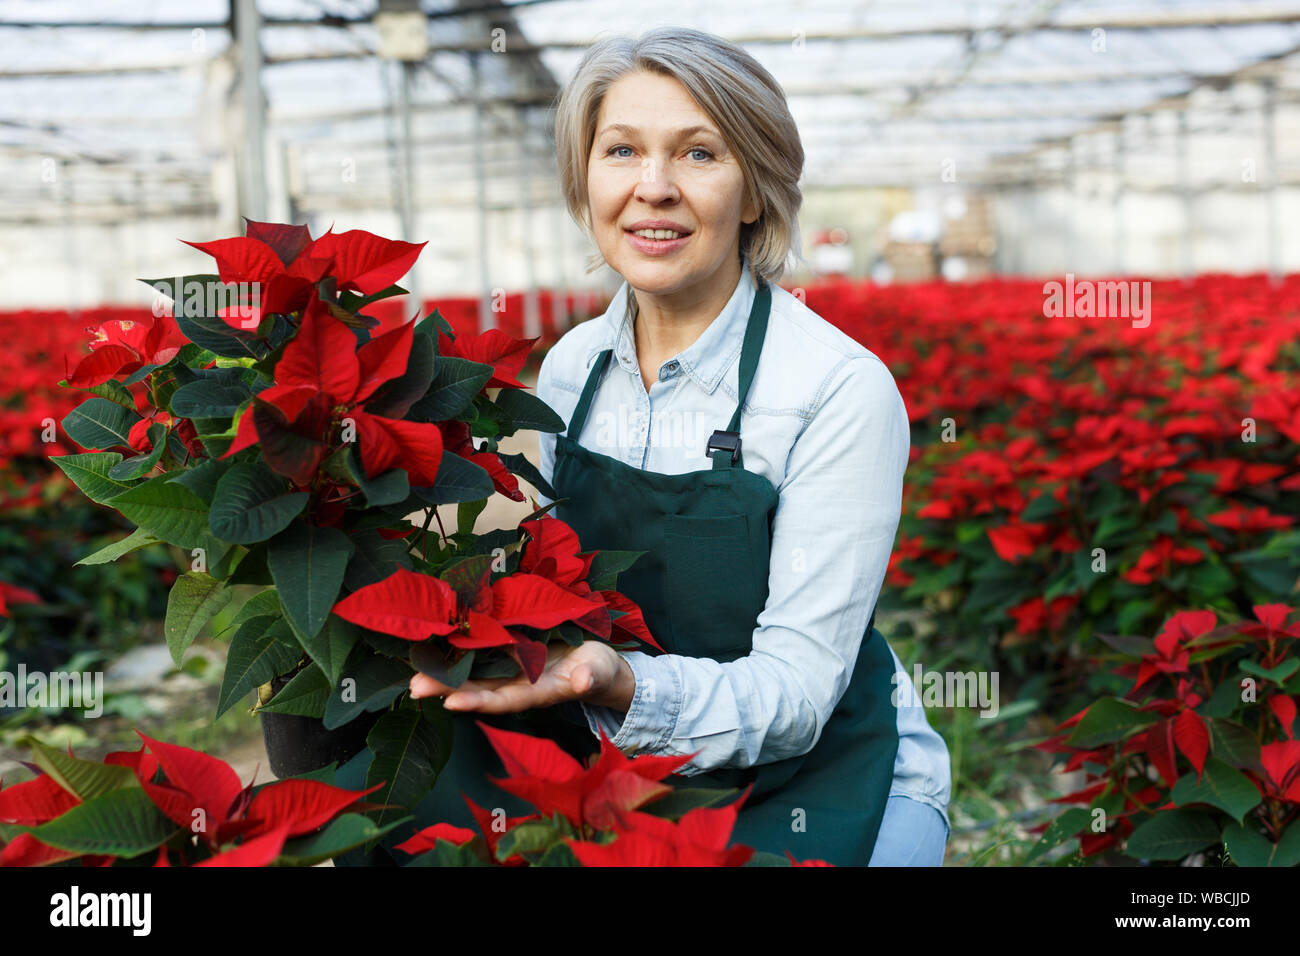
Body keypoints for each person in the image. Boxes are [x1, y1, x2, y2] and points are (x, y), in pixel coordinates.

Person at [406, 26, 951, 866]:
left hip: (824, 772)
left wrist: (623, 685)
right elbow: (549, 577)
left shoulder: (836, 387)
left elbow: (799, 696)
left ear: (755, 192)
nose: (652, 188)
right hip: (624, 763)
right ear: (585, 182)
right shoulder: (573, 367)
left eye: (699, 155)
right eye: (621, 150)